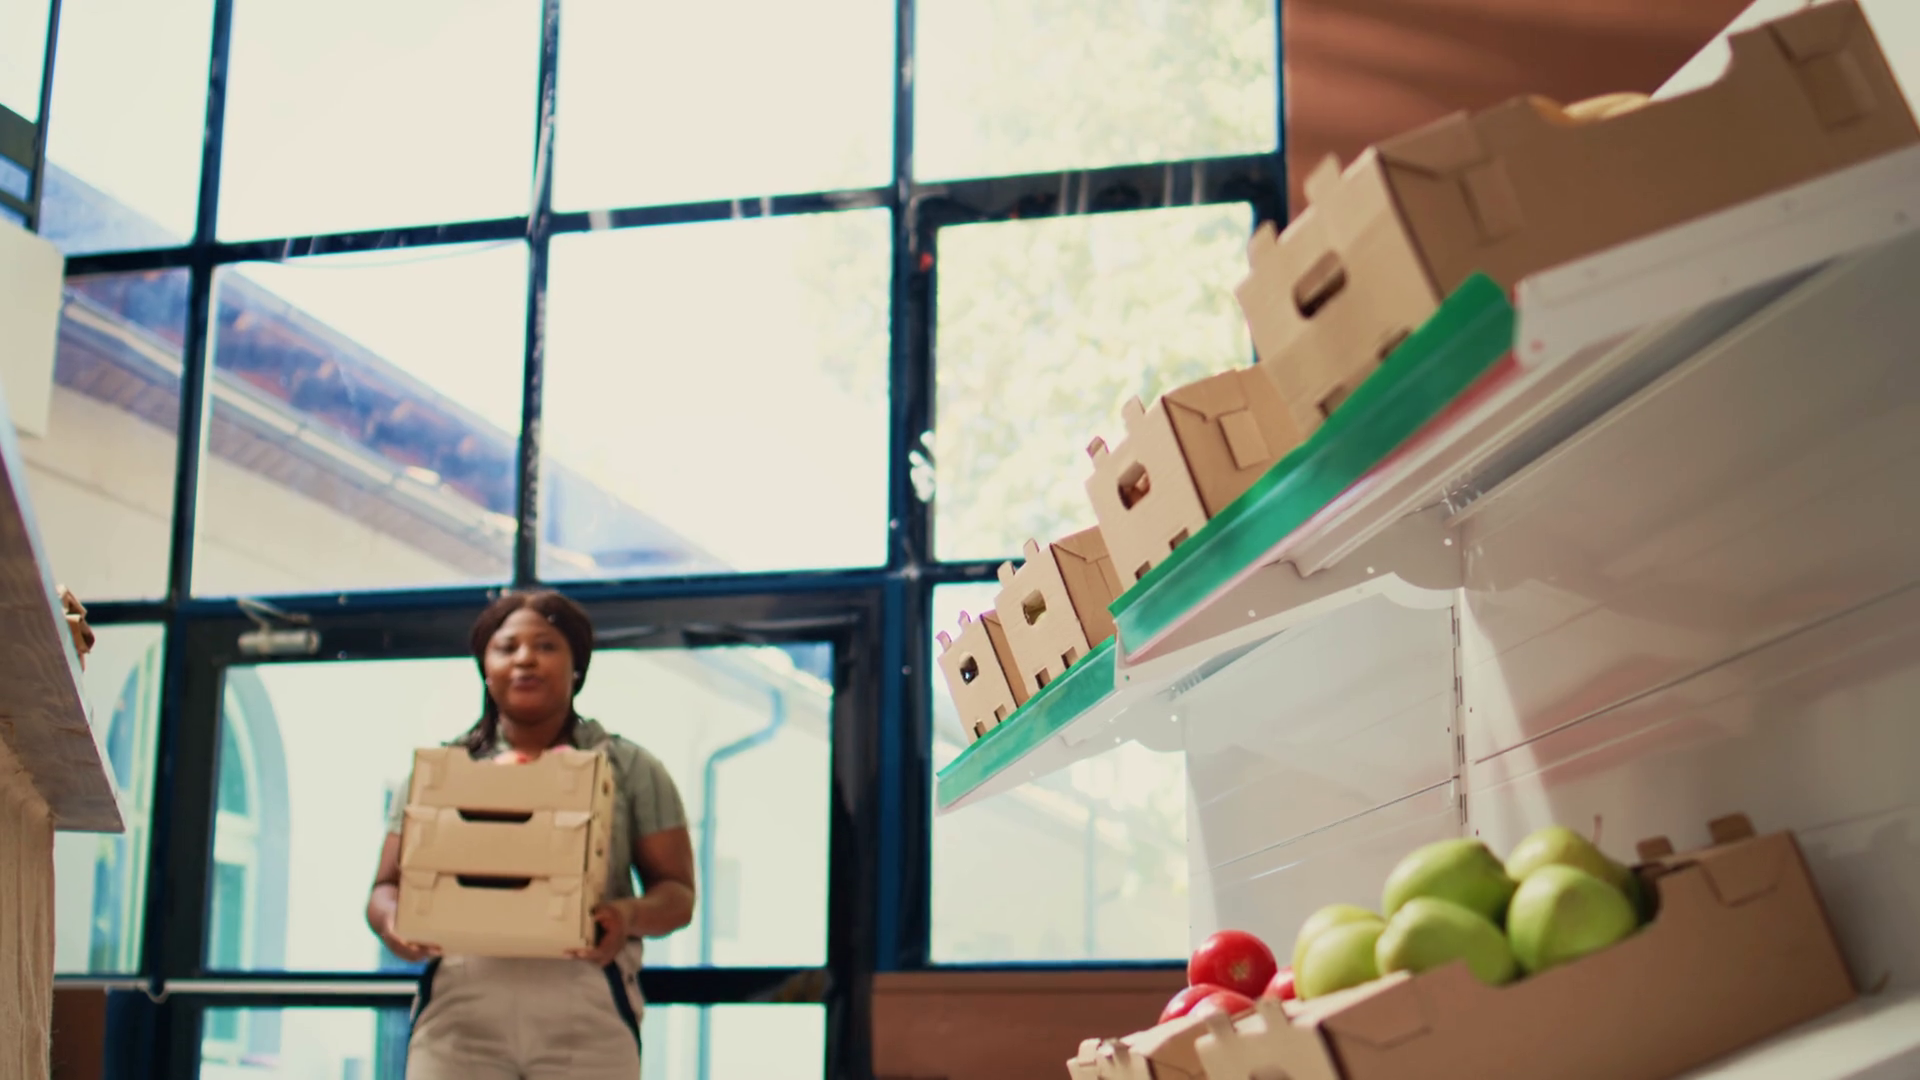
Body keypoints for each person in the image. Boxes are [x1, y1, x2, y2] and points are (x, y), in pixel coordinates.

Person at [366, 589, 695, 1078]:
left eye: (545, 645)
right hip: (462, 1012)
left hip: (587, 1009)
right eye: (507, 647)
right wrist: (396, 924)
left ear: (577, 665)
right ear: (484, 664)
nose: (525, 659)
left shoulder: (631, 769)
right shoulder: (440, 772)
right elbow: (384, 889)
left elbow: (678, 896)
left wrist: (625, 916)